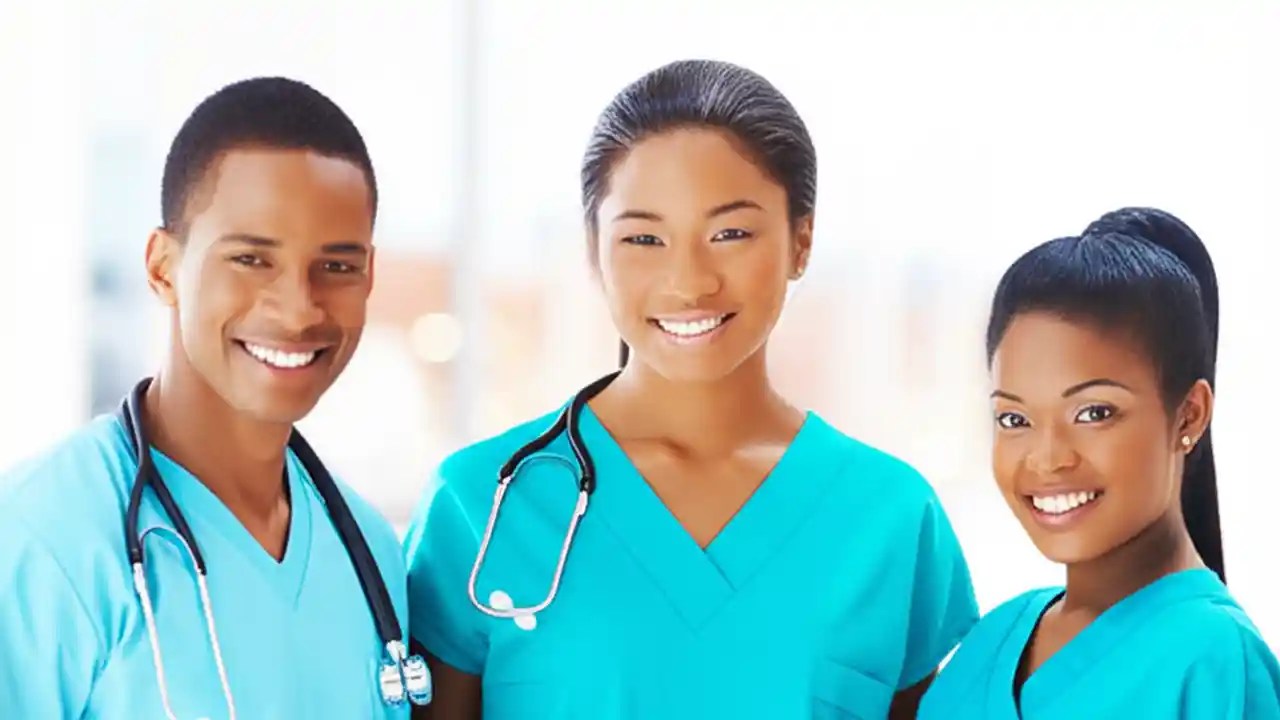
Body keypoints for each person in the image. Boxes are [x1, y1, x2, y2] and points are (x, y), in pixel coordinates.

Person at [403, 59, 978, 719]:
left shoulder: (891, 518)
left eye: (730, 233)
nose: (690, 281)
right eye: (644, 237)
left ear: (801, 241)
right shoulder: (480, 504)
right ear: (594, 252)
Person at [0, 77, 426, 718]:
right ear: (162, 267)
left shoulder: (371, 552)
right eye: (252, 260)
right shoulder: (42, 541)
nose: (298, 309)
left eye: (336, 266)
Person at [918, 207, 1280, 718]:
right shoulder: (993, 638)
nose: (1047, 458)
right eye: (1014, 419)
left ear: (1189, 415)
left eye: (1093, 412)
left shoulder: (1215, 661)